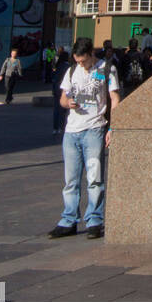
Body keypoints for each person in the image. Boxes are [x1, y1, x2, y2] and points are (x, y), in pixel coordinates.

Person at [49, 38, 119, 239]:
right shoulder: (72, 71)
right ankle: (68, 219)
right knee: (71, 179)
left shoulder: (107, 69)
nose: (81, 65)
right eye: (77, 61)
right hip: (72, 130)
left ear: (91, 55)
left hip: (94, 129)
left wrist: (112, 127)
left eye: (83, 61)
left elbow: (114, 98)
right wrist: (67, 102)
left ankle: (94, 219)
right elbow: (63, 97)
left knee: (94, 178)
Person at [51, 48, 69, 136]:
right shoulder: (67, 67)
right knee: (63, 109)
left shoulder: (58, 66)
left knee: (56, 109)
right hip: (63, 90)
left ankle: (55, 128)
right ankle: (61, 127)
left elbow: (54, 78)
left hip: (56, 89)